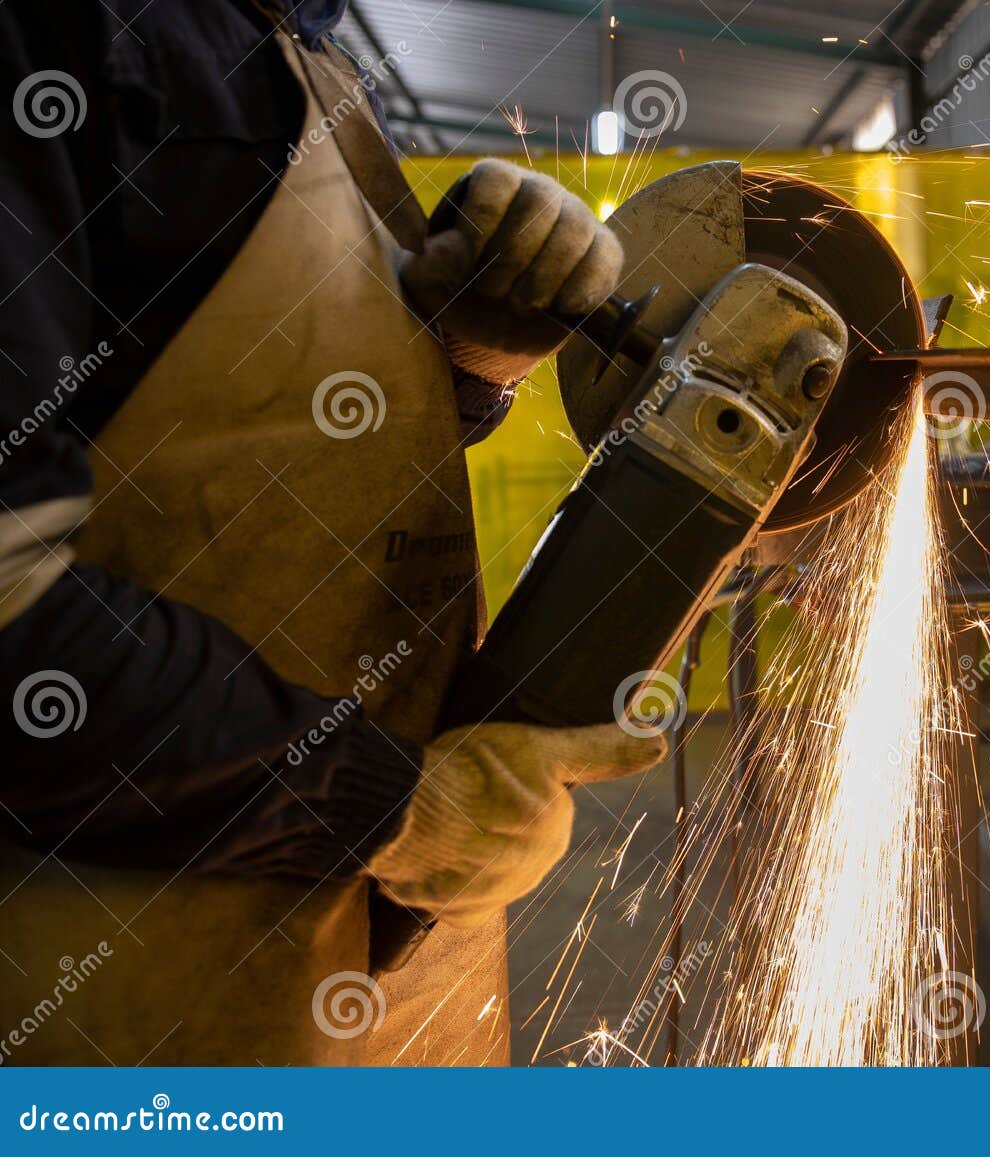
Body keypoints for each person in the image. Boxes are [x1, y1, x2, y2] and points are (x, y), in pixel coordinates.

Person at [0, 0, 662, 1064]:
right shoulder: (49, 42)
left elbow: (249, 448)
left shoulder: (301, 55)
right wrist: (387, 803)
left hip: (377, 965)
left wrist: (470, 355)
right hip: (111, 1004)